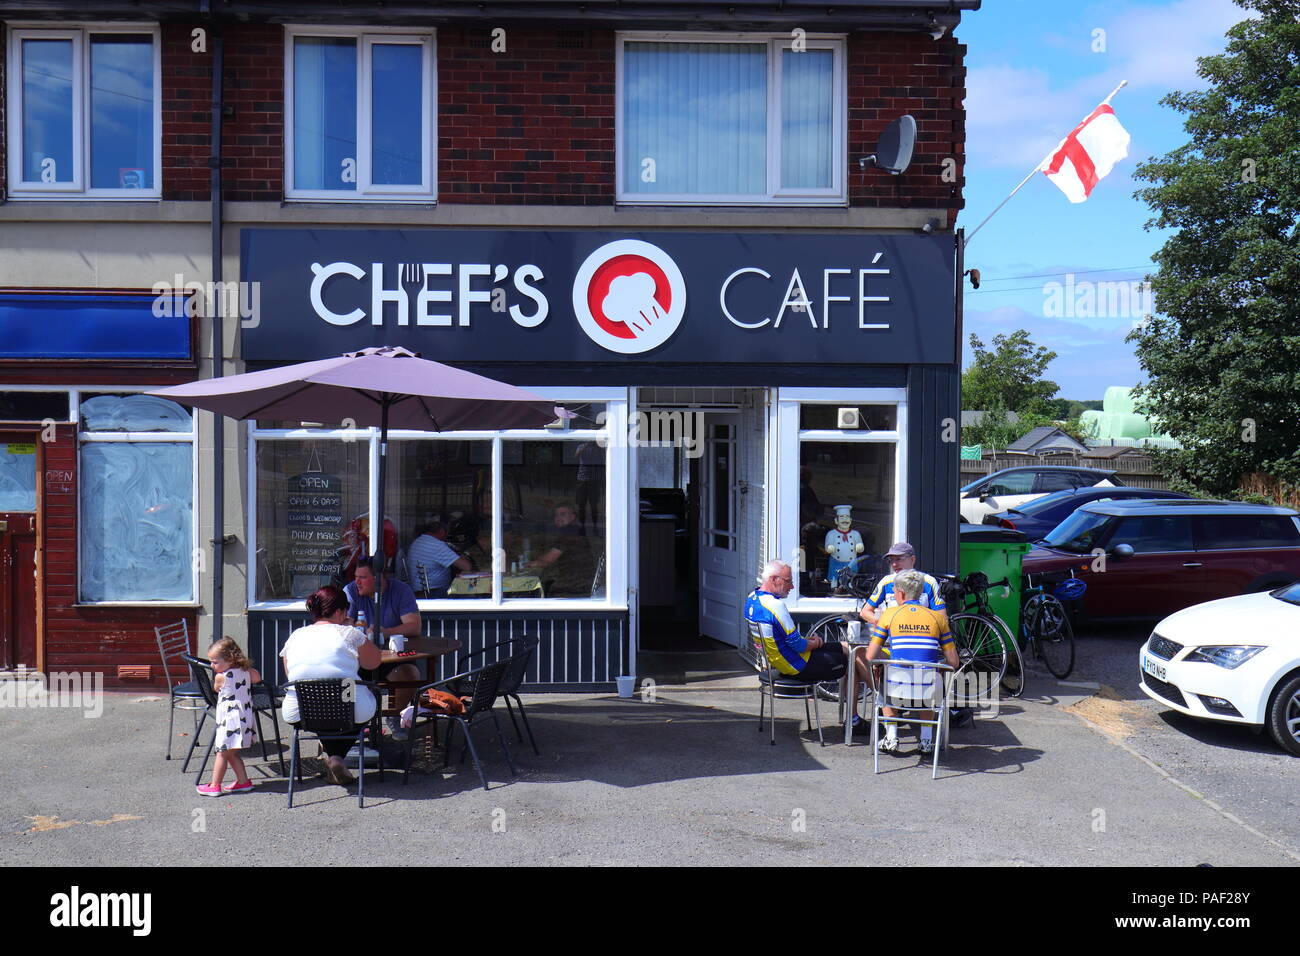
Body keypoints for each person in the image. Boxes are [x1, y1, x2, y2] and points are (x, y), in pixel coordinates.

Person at [280, 585, 382, 786]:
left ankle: (334, 756)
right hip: (345, 707)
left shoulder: (296, 636)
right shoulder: (349, 634)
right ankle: (336, 757)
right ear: (339, 612)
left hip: (301, 710)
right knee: (355, 702)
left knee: (325, 710)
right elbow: (374, 662)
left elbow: (290, 673)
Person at [865, 569, 960, 754]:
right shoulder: (938, 618)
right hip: (929, 690)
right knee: (929, 675)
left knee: (885, 673)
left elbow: (870, 656)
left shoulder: (889, 614)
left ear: (900, 594)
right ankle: (926, 739)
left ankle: (891, 736)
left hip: (896, 688)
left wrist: (887, 659)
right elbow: (953, 662)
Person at [745, 560, 871, 697]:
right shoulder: (775, 606)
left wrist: (809, 642)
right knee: (853, 660)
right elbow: (798, 645)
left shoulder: (752, 598)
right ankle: (874, 704)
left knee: (849, 647)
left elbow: (784, 640)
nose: (792, 586)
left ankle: (866, 709)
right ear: (774, 579)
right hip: (797, 665)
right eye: (788, 581)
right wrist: (815, 643)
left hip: (782, 661)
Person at [345, 556, 422, 739]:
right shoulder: (351, 591)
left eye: (362, 577)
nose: (357, 581)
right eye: (355, 576)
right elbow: (344, 625)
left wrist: (385, 632)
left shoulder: (400, 590)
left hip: (393, 657)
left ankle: (394, 716)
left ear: (378, 579)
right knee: (344, 678)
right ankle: (355, 725)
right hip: (359, 659)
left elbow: (414, 626)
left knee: (410, 675)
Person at [196, 637, 261, 797]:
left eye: (215, 662)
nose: (212, 666)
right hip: (244, 718)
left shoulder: (221, 677)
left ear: (230, 659)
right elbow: (257, 678)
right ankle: (243, 781)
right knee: (231, 753)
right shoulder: (247, 671)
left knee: (222, 753)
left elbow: (217, 689)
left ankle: (215, 785)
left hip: (230, 720)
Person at [525, 503, 594, 597]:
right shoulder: (573, 530)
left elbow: (548, 560)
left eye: (563, 514)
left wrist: (532, 563)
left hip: (576, 585)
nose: (558, 518)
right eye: (556, 515)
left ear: (572, 516)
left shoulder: (570, 534)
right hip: (579, 580)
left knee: (538, 591)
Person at [406, 520, 471, 598]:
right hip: (434, 592)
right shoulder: (436, 545)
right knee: (470, 592)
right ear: (442, 531)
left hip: (419, 590)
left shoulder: (418, 541)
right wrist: (463, 554)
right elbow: (467, 567)